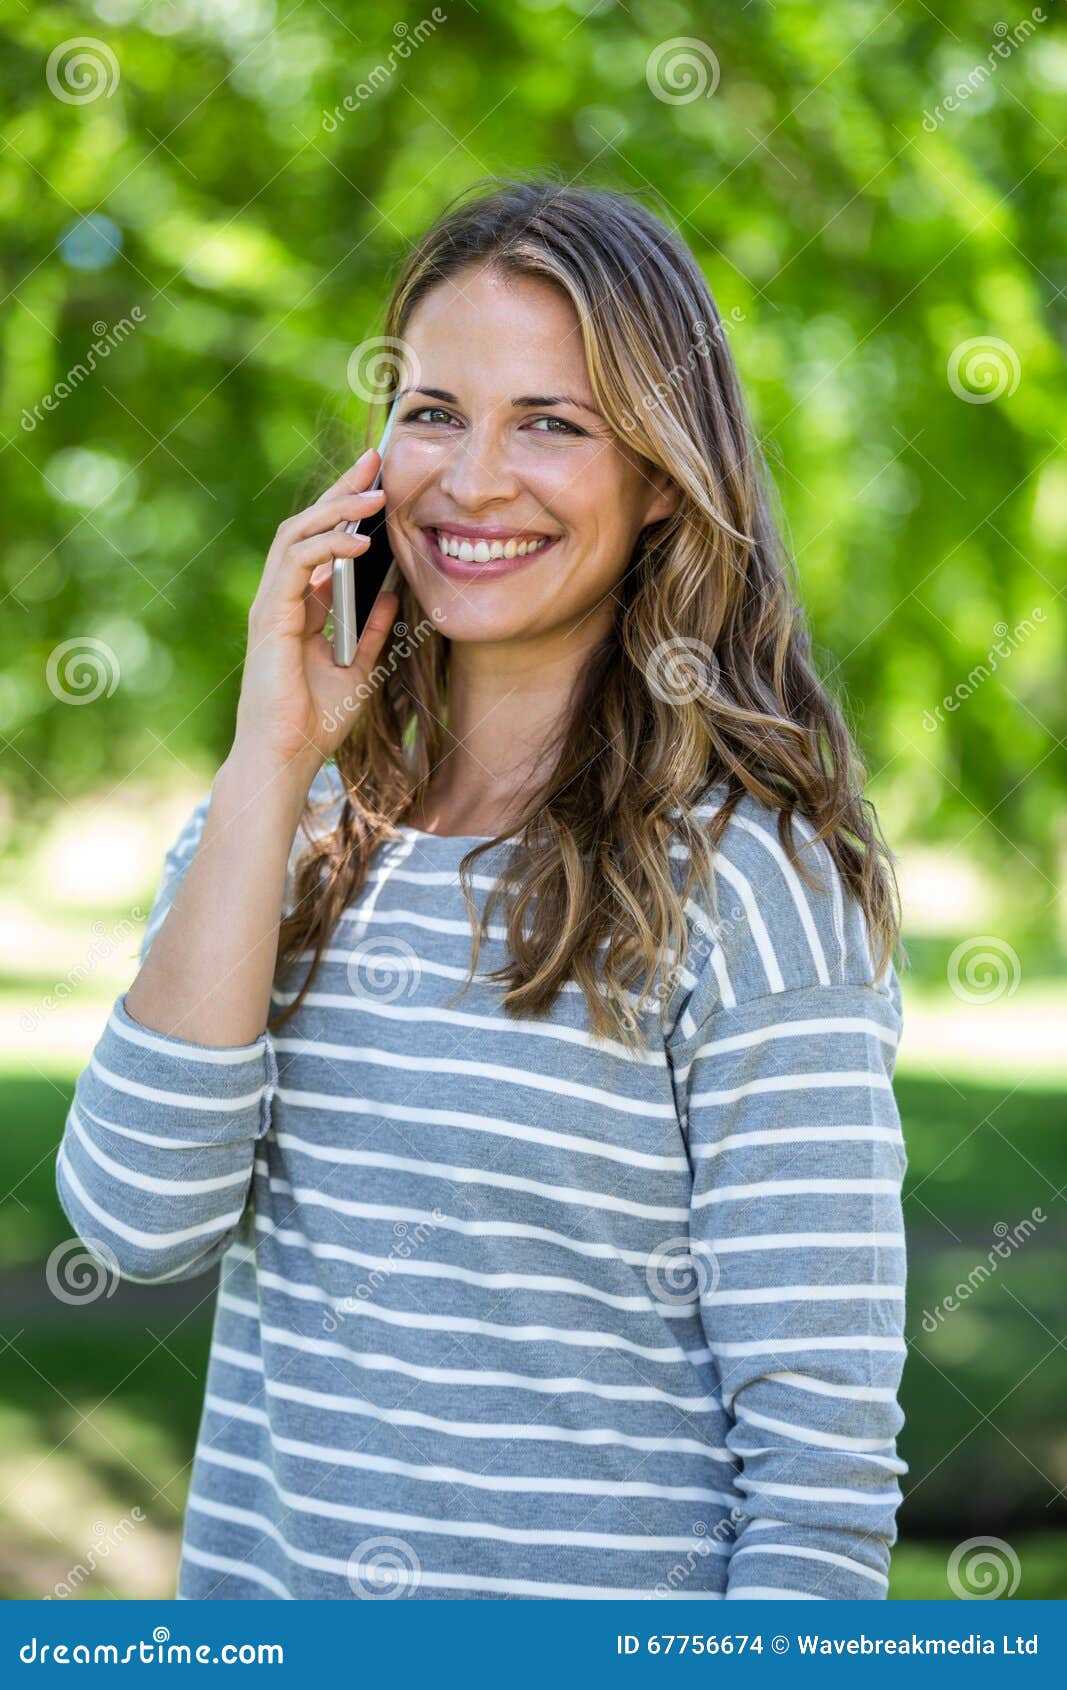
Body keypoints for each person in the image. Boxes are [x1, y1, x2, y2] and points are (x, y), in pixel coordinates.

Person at [55, 176, 908, 1601]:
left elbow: (818, 1475)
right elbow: (138, 1223)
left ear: (660, 481)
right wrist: (270, 758)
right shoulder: (281, 826)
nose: (473, 478)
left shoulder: (754, 876)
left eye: (552, 424)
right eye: (435, 410)